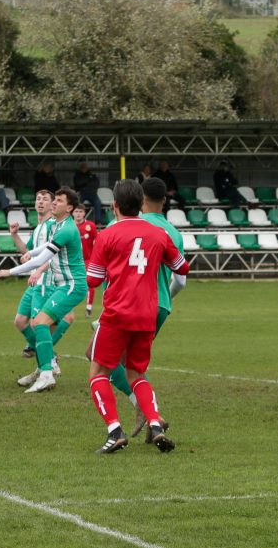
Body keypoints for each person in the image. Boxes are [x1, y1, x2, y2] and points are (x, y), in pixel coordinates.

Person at [83, 179, 190, 453]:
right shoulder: (158, 233)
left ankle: (114, 431)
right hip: (146, 314)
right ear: (139, 204)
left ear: (115, 205)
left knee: (98, 372)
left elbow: (93, 280)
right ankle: (155, 423)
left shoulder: (107, 235)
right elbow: (182, 267)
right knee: (136, 372)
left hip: (117, 313)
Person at [0, 187, 87, 394]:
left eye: (58, 201)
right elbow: (43, 249)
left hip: (72, 285)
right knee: (36, 323)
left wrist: (9, 271)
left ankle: (46, 371)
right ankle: (45, 370)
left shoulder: (66, 229)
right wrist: (30, 253)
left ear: (69, 208)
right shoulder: (58, 225)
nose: (53, 203)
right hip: (64, 285)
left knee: (40, 323)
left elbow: (42, 259)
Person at [8, 190, 62, 375]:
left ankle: (47, 366)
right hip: (35, 282)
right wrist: (15, 235)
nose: (40, 202)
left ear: (52, 204)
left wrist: (39, 271)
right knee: (20, 321)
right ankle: (49, 357)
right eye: (38, 199)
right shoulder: (39, 227)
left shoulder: (52, 225)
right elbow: (27, 252)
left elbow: (54, 255)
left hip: (47, 281)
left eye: (45, 199)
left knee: (37, 324)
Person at [73, 204, 98, 317]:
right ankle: (68, 308)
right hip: (73, 261)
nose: (78, 214)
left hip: (88, 260)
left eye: (80, 211)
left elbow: (97, 241)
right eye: (76, 211)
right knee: (70, 284)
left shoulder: (90, 226)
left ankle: (89, 308)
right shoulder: (70, 226)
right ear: (72, 213)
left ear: (84, 213)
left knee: (90, 283)